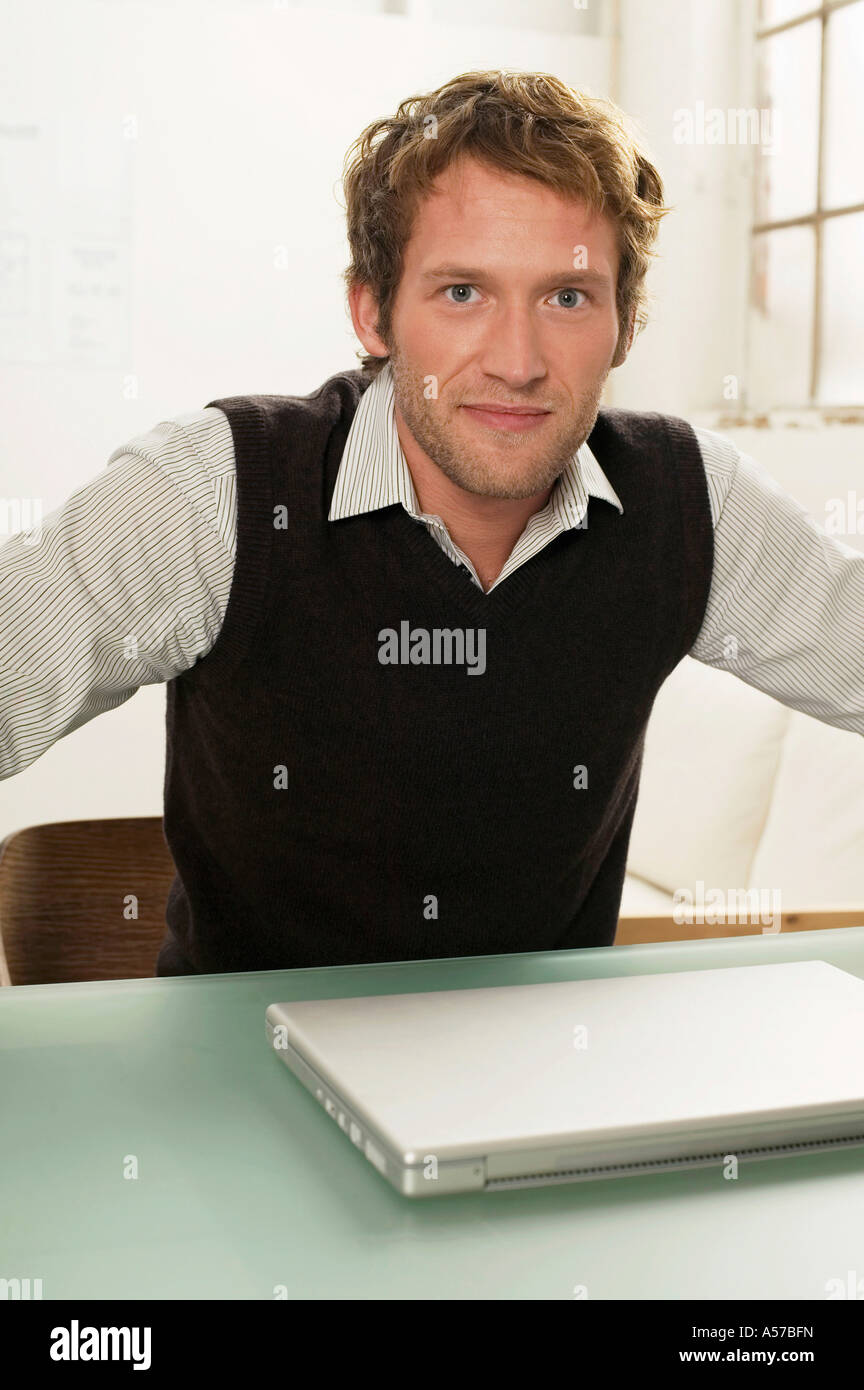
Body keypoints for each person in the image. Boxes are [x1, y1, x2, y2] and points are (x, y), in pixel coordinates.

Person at [2, 70, 863, 976]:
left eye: (567, 298)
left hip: (534, 1084)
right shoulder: (219, 487)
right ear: (373, 312)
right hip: (245, 1068)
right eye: (462, 293)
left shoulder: (688, 501)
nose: (519, 362)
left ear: (626, 324)